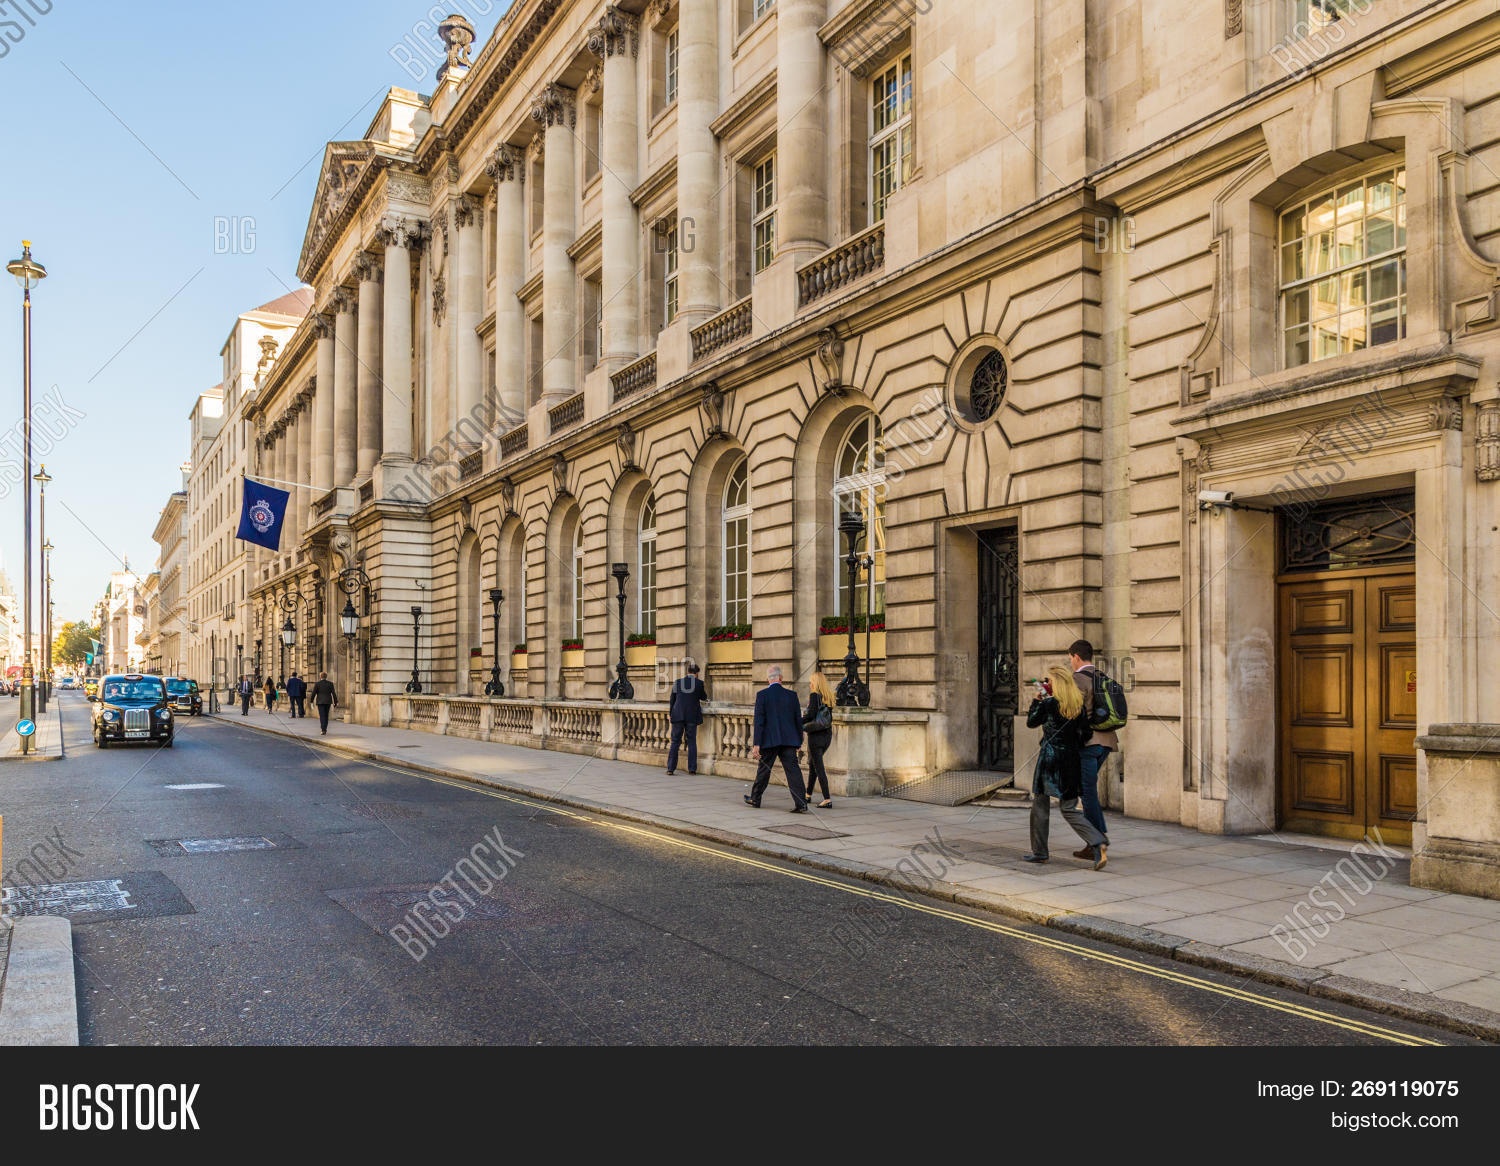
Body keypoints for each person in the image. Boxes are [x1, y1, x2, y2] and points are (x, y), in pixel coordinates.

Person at [1024, 664, 1107, 869]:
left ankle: (1040, 852)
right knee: (1069, 809)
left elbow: (1031, 722)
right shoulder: (1076, 706)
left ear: (1057, 684)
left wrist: (1037, 699)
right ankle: (1097, 841)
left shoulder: (1049, 704)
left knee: (1040, 807)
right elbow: (1086, 734)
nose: (1047, 684)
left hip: (1049, 761)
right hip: (1071, 761)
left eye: (1050, 681)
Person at [1069, 639, 1118, 855]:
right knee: (1087, 789)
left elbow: (1072, 711)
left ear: (1076, 657)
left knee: (1087, 792)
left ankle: (1097, 841)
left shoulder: (1078, 678)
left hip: (1088, 743)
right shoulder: (1102, 677)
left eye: (1070, 658)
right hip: (1107, 742)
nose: (1071, 662)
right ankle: (1097, 838)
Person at [747, 665, 809, 812]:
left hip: (769, 740)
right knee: (793, 771)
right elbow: (797, 720)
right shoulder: (791, 695)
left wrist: (757, 744)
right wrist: (799, 740)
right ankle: (801, 803)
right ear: (781, 678)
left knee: (764, 770)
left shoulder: (762, 695)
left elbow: (759, 721)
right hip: (789, 740)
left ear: (767, 680)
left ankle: (755, 798)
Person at [801, 670, 835, 809]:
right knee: (813, 765)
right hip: (826, 736)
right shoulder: (828, 697)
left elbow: (811, 715)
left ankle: (827, 798)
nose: (810, 684)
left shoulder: (815, 695)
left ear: (815, 683)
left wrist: (797, 721)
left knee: (818, 767)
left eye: (811, 682)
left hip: (815, 736)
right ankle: (808, 794)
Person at [666, 663, 708, 775]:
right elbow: (704, 697)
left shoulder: (677, 682)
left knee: (675, 742)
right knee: (692, 742)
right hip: (691, 716)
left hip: (677, 714)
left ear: (687, 672)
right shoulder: (699, 683)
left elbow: (672, 700)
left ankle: (670, 768)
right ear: (697, 673)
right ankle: (692, 769)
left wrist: (671, 713)